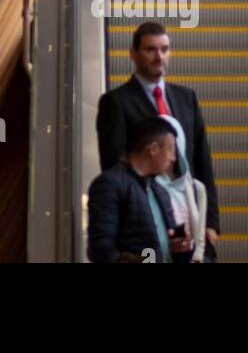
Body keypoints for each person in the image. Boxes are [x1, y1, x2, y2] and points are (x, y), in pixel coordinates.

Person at [97, 22, 220, 255]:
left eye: (164, 49)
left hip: (192, 219)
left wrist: (211, 223)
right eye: (150, 49)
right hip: (148, 221)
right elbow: (114, 166)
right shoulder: (116, 102)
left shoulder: (187, 98)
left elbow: (202, 161)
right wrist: (152, 233)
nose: (159, 56)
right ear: (133, 53)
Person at [86, 117, 192, 263]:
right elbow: (102, 249)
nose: (173, 158)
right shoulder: (109, 184)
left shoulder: (159, 191)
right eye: (170, 150)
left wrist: (174, 247)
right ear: (153, 149)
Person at [153, 113, 209, 263]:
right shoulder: (148, 187)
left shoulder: (196, 188)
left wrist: (195, 252)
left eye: (171, 146)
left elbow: (200, 240)